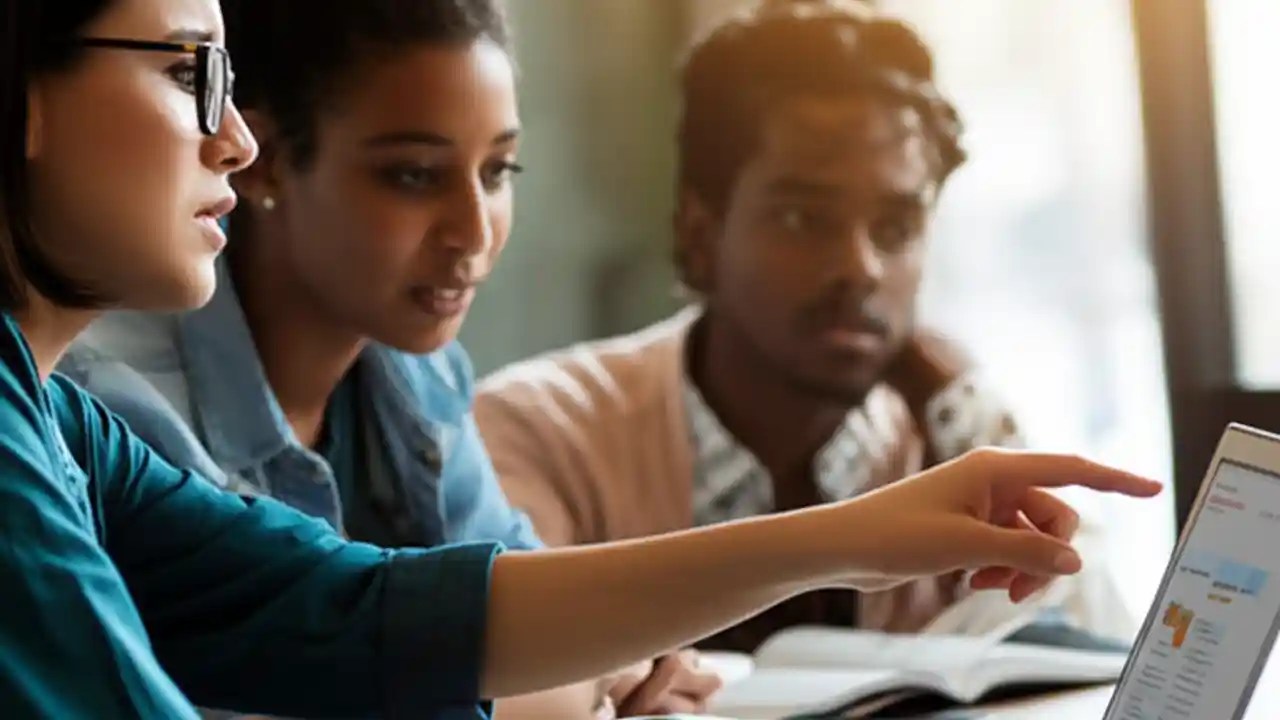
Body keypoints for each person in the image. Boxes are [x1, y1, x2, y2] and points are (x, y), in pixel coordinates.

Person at [1, 0, 1160, 718]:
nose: (232, 133)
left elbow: (363, 613)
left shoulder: (57, 425)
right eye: (186, 68)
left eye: (499, 169)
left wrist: (854, 535)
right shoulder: (63, 413)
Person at [59, 0, 716, 716]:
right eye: (413, 175)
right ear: (266, 160)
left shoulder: (416, 374)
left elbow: (532, 605)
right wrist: (577, 674)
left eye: (498, 171)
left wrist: (607, 666)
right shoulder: (106, 401)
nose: (473, 232)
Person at [474, 0, 1130, 655]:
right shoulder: (544, 435)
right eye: (801, 220)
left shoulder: (947, 433)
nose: (860, 268)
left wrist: (959, 403)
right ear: (699, 236)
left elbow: (1102, 661)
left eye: (896, 228)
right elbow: (496, 675)